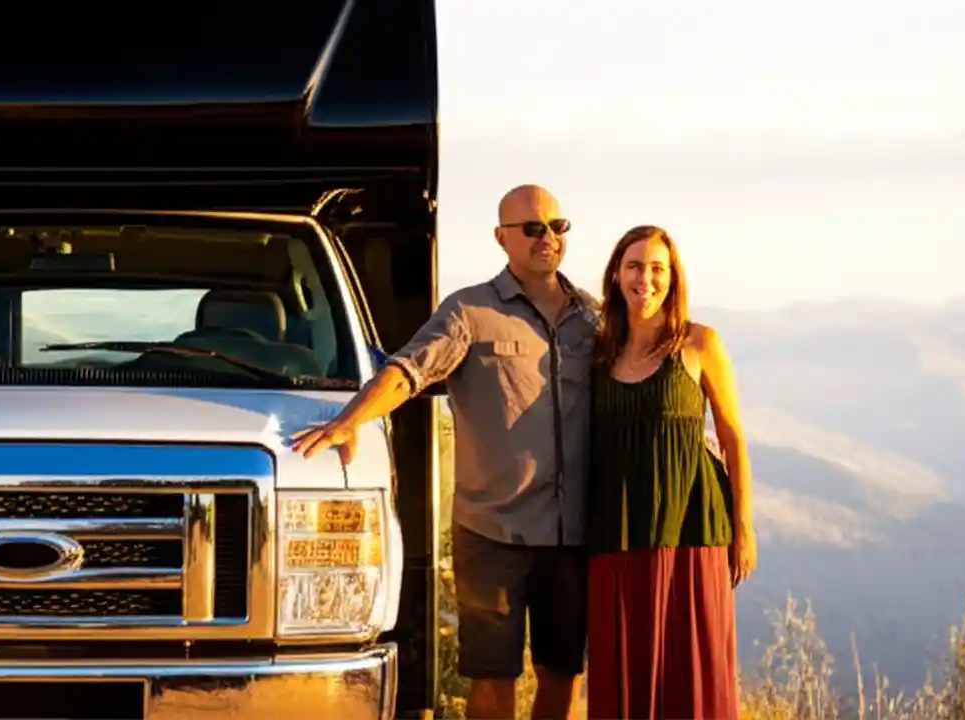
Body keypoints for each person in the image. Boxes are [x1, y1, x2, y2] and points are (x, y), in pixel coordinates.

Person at [291, 184, 599, 720]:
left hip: (572, 535)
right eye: (531, 228)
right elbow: (410, 370)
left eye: (557, 226)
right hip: (491, 533)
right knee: (491, 675)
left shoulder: (593, 318)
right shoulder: (470, 311)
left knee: (562, 672)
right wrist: (351, 419)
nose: (547, 238)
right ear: (502, 238)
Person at [584, 224, 756, 720]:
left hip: (693, 532)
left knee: (693, 676)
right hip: (617, 534)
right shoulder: (599, 354)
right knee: (627, 680)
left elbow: (733, 438)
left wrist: (743, 528)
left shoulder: (700, 343)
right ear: (617, 274)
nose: (646, 278)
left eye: (658, 268)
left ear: (673, 278)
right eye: (635, 266)